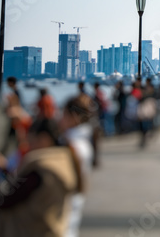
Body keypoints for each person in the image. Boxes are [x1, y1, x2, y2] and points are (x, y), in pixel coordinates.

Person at [0, 118, 84, 237]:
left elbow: (5, 201)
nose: (28, 146)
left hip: (30, 231)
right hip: (53, 229)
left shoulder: (40, 169)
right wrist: (4, 168)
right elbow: (21, 187)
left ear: (44, 139)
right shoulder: (64, 160)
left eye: (31, 141)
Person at [59, 95, 94, 237]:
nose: (60, 118)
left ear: (73, 116)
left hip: (65, 200)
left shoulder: (72, 144)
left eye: (63, 114)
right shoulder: (83, 140)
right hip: (74, 200)